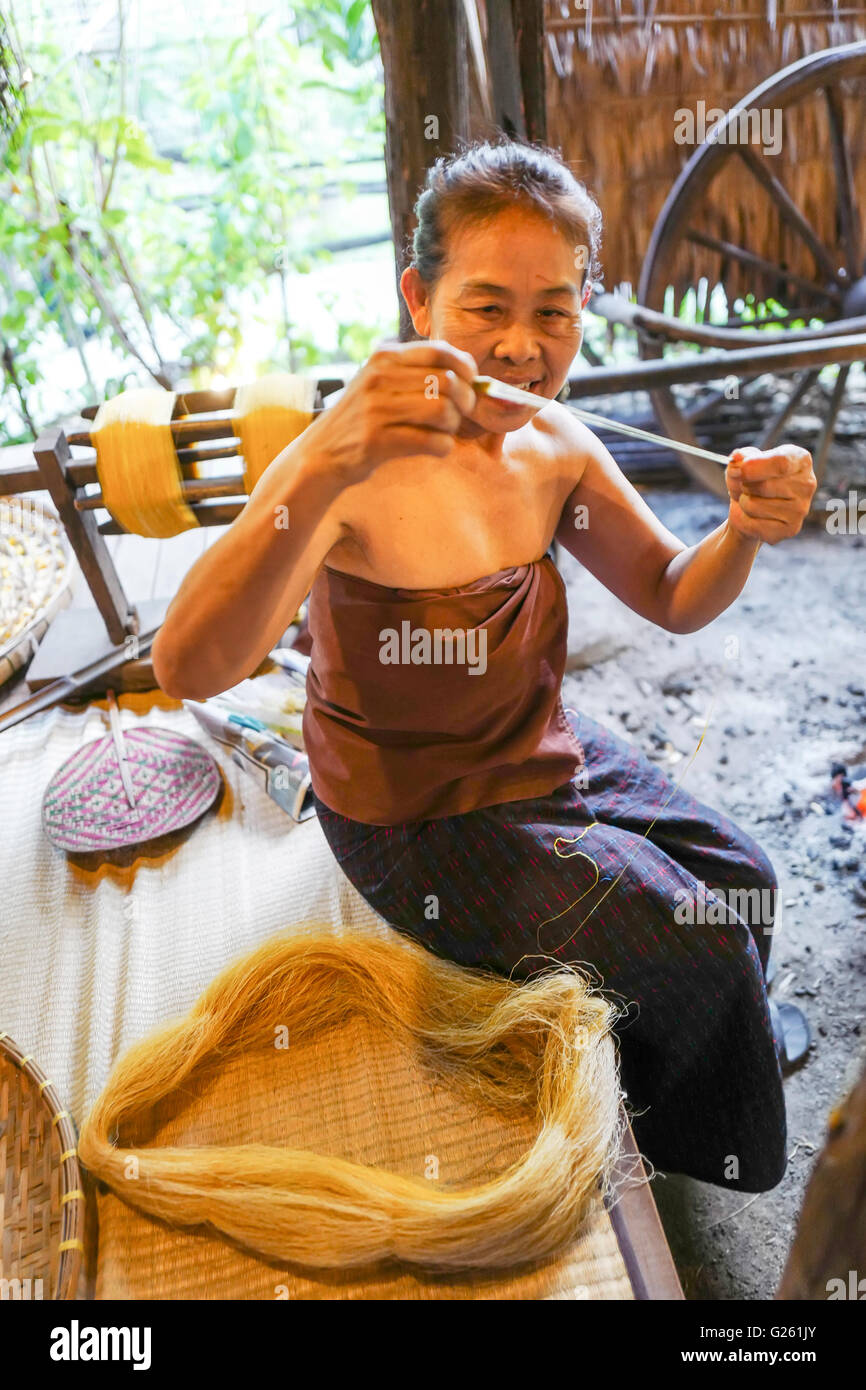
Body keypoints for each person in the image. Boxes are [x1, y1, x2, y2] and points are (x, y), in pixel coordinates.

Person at [153, 140, 817, 1193]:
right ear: (418, 298)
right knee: (699, 955)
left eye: (553, 311)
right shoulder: (347, 461)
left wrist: (739, 529)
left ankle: (693, 1049)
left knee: (744, 885)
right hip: (414, 815)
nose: (520, 345)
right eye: (485, 306)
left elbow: (671, 597)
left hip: (534, 745)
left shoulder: (556, 446)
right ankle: (690, 1119)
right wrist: (323, 457)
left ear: (585, 310)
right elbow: (187, 664)